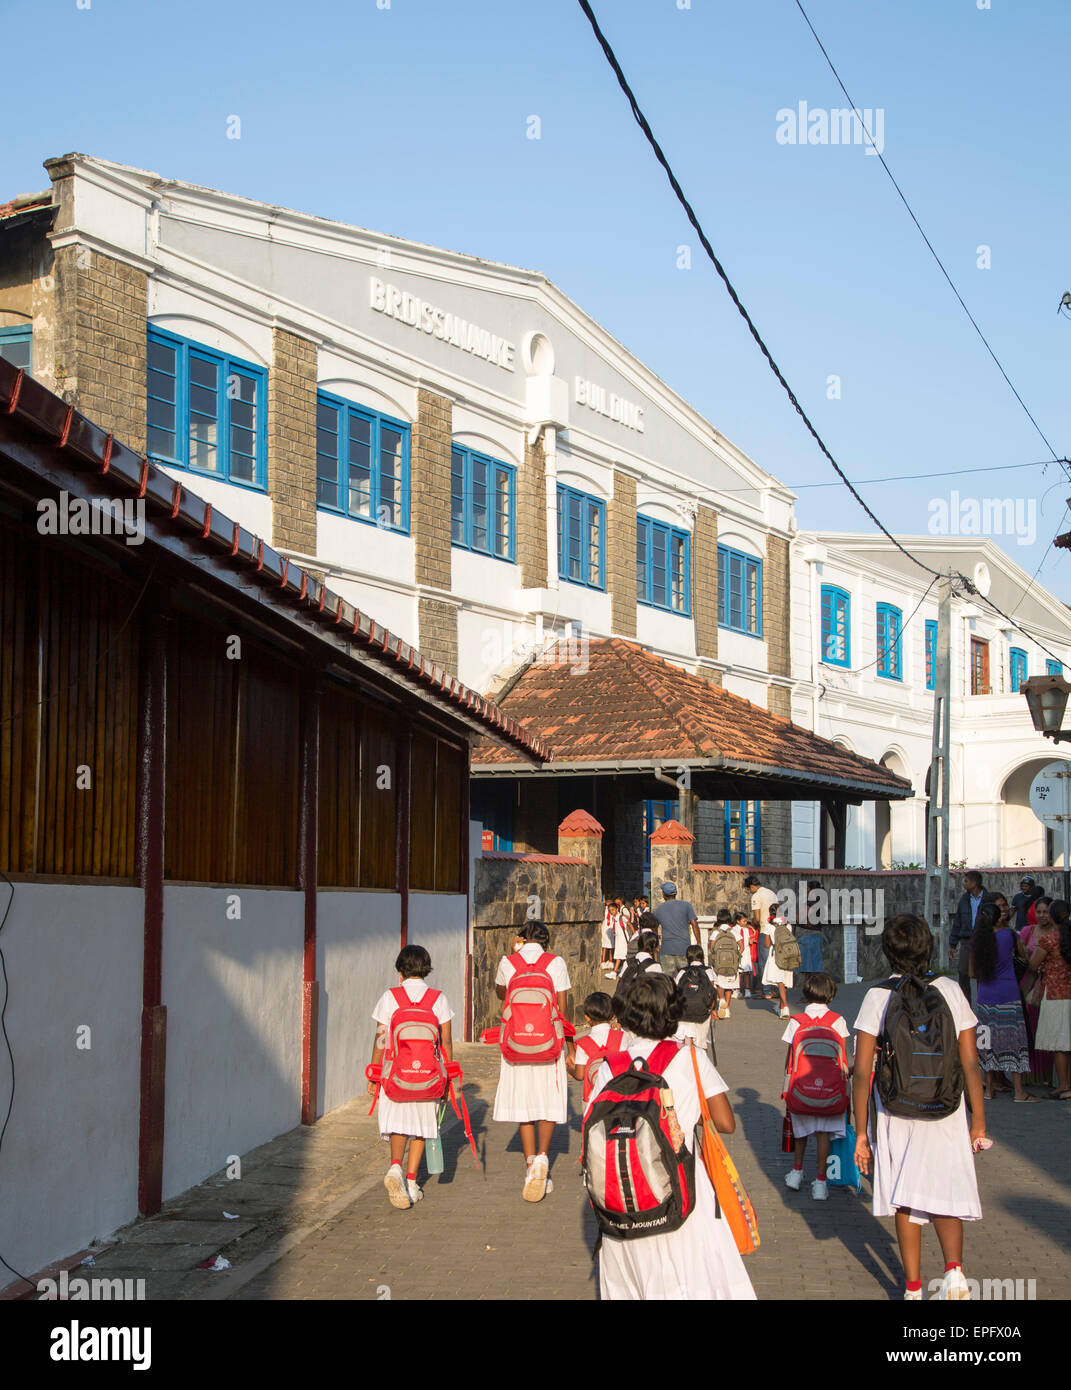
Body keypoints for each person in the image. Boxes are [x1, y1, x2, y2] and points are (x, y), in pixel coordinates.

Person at [587, 973, 756, 1300]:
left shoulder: (610, 1066)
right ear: (672, 1013)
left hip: (624, 1202)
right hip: (682, 1193)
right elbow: (725, 1123)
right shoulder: (690, 1058)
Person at [853, 914, 985, 1301]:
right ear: (928, 946)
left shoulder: (877, 995)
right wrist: (979, 1121)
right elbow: (971, 1062)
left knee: (905, 1194)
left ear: (888, 951)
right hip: (947, 1106)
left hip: (896, 1108)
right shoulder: (950, 990)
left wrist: (861, 1133)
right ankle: (955, 1272)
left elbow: (862, 1071)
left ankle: (912, 1288)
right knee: (944, 1188)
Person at [368, 944, 454, 1210]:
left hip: (396, 1075)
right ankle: (412, 1181)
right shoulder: (438, 998)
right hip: (427, 1076)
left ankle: (395, 1166)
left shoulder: (390, 997)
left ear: (400, 969)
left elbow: (381, 1039)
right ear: (426, 968)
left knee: (398, 1124)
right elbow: (446, 1042)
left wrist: (374, 1074)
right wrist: (448, 1079)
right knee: (420, 1128)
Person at [493, 920, 571, 1200]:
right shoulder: (556, 962)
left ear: (522, 938)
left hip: (516, 1044)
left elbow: (502, 994)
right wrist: (568, 1043)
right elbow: (562, 1007)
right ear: (546, 940)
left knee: (524, 1106)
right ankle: (542, 1158)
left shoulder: (508, 961)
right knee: (547, 1102)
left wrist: (513, 953)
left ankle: (529, 1166)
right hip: (548, 1042)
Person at [782, 972, 851, 1200]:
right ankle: (821, 1183)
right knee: (823, 1133)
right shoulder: (838, 1021)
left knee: (801, 1131)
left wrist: (786, 1086)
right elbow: (843, 1057)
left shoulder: (796, 1021)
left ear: (806, 994)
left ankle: (796, 1172)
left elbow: (790, 1057)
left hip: (802, 1087)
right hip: (830, 1090)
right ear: (830, 996)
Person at [970, 897, 1037, 1102]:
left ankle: (989, 1089)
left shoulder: (976, 941)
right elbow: (1024, 957)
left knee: (987, 1043)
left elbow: (973, 973)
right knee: (1015, 1042)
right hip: (1009, 995)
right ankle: (1019, 1091)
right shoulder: (1009, 935)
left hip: (985, 998)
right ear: (999, 919)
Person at [1028, 897, 1071, 1100]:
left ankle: (1063, 1085)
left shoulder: (1050, 939)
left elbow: (1033, 964)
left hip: (1055, 994)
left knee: (1059, 1043)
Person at [1020, 895, 1055, 1085]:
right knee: (1031, 1030)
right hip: (1030, 989)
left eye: (1046, 912)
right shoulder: (1028, 932)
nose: (1042, 916)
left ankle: (1047, 1076)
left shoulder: (1060, 933)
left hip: (1053, 988)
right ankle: (1031, 1075)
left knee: (1049, 1031)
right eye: (1039, 912)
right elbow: (1019, 958)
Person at [569, 992, 624, 1102]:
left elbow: (580, 1075)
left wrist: (569, 1068)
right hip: (620, 1097)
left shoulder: (583, 1043)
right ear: (613, 1016)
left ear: (587, 1018)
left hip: (593, 1099)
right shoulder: (622, 1036)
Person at [673, 943, 718, 1060]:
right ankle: (703, 1068)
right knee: (701, 1043)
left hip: (684, 1011)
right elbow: (712, 992)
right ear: (702, 957)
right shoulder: (708, 971)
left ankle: (685, 1066)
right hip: (703, 1011)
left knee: (683, 1041)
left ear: (687, 959)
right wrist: (713, 1010)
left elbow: (676, 990)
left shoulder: (682, 972)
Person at [950, 871, 990, 1001]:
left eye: (966, 881)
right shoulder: (964, 899)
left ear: (974, 883)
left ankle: (982, 1002)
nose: (963, 884)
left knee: (981, 974)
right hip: (967, 941)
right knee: (963, 973)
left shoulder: (988, 899)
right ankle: (966, 1005)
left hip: (983, 941)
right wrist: (953, 944)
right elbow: (958, 922)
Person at [653, 881, 699, 976]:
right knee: (686, 977)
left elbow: (654, 929)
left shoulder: (658, 910)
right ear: (675, 893)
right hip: (684, 948)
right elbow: (694, 924)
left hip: (666, 949)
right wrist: (699, 942)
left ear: (663, 894)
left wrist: (656, 945)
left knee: (668, 980)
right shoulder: (686, 906)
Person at [745, 874, 779, 997]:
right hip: (776, 931)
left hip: (765, 931)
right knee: (775, 960)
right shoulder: (772, 893)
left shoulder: (756, 896)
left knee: (764, 961)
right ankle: (776, 990)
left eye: (749, 889)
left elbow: (758, 918)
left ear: (752, 886)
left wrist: (751, 923)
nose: (749, 891)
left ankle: (766, 991)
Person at [761, 906, 796, 1019]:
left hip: (776, 953)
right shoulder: (788, 925)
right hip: (788, 953)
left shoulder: (769, 926)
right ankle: (781, 1006)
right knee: (784, 980)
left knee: (780, 981)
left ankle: (785, 1006)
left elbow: (766, 944)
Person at [709, 908, 744, 1020]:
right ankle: (727, 1008)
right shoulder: (734, 931)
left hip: (719, 963)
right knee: (730, 986)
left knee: (720, 983)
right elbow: (742, 946)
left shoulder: (716, 932)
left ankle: (722, 999)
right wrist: (736, 956)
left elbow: (712, 948)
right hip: (732, 963)